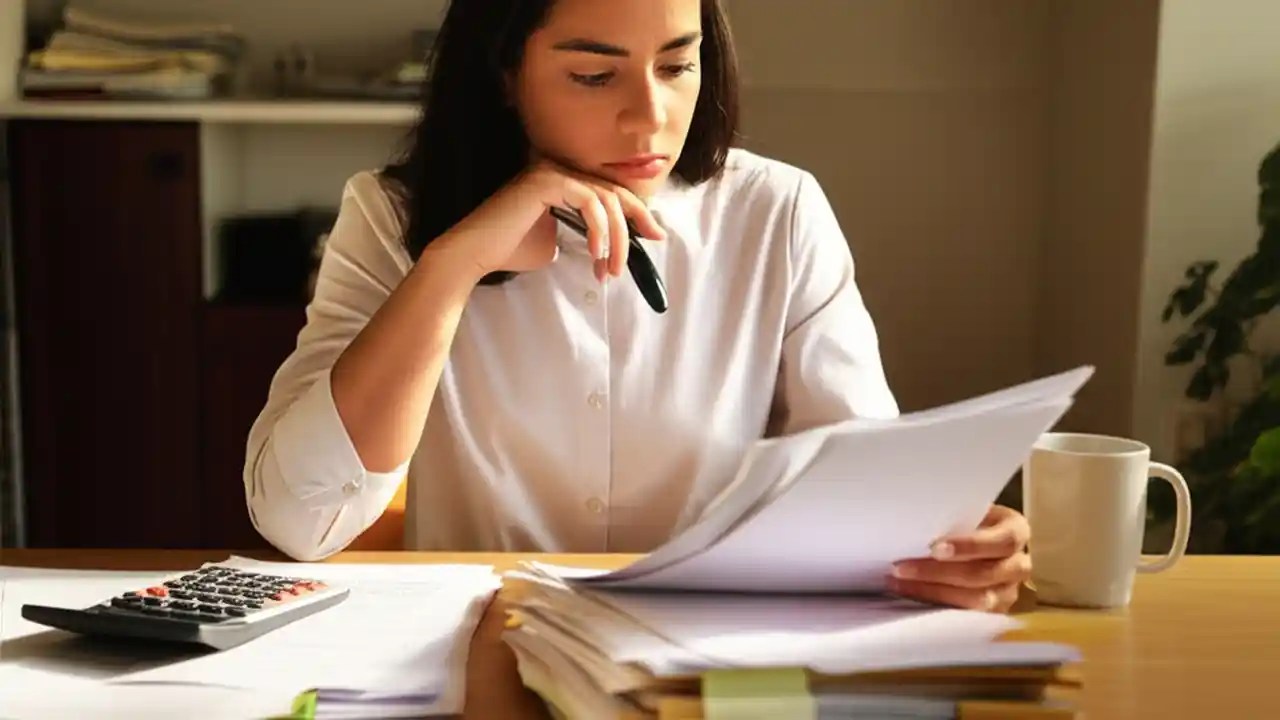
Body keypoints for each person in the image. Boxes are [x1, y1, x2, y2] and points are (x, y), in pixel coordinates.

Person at [243, 0, 1032, 613]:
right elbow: (298, 518)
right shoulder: (390, 217)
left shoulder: (777, 211)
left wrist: (944, 541)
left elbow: (859, 480)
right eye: (594, 75)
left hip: (704, 654)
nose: (650, 116)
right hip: (477, 641)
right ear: (504, 75)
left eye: (678, 66)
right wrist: (451, 266)